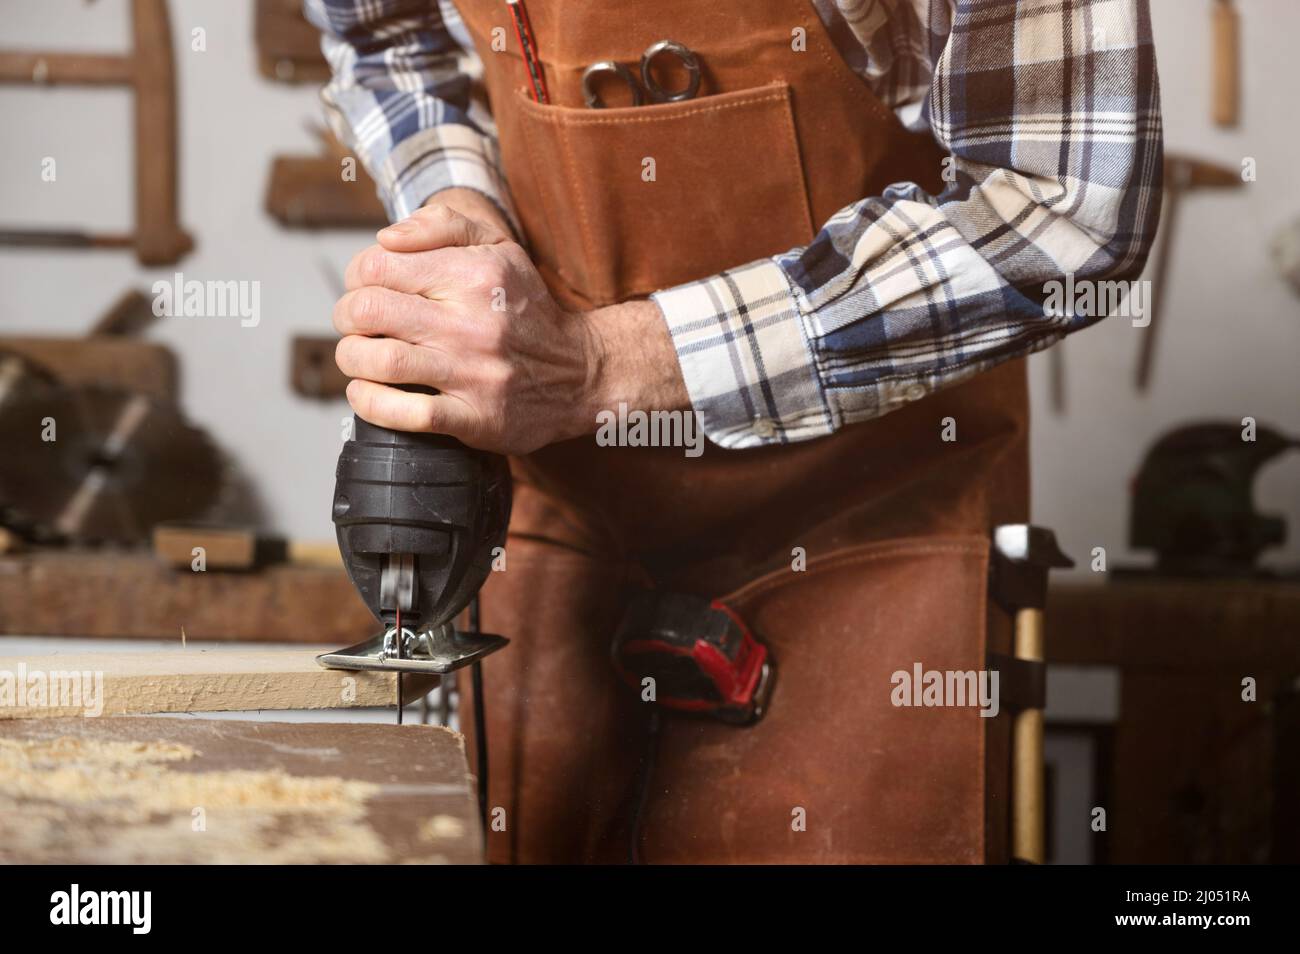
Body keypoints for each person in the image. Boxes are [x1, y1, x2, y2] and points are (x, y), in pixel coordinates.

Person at [305, 0, 1162, 863]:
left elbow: (1064, 210)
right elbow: (384, 36)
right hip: (564, 526)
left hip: (874, 528)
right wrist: (462, 209)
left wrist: (605, 365)